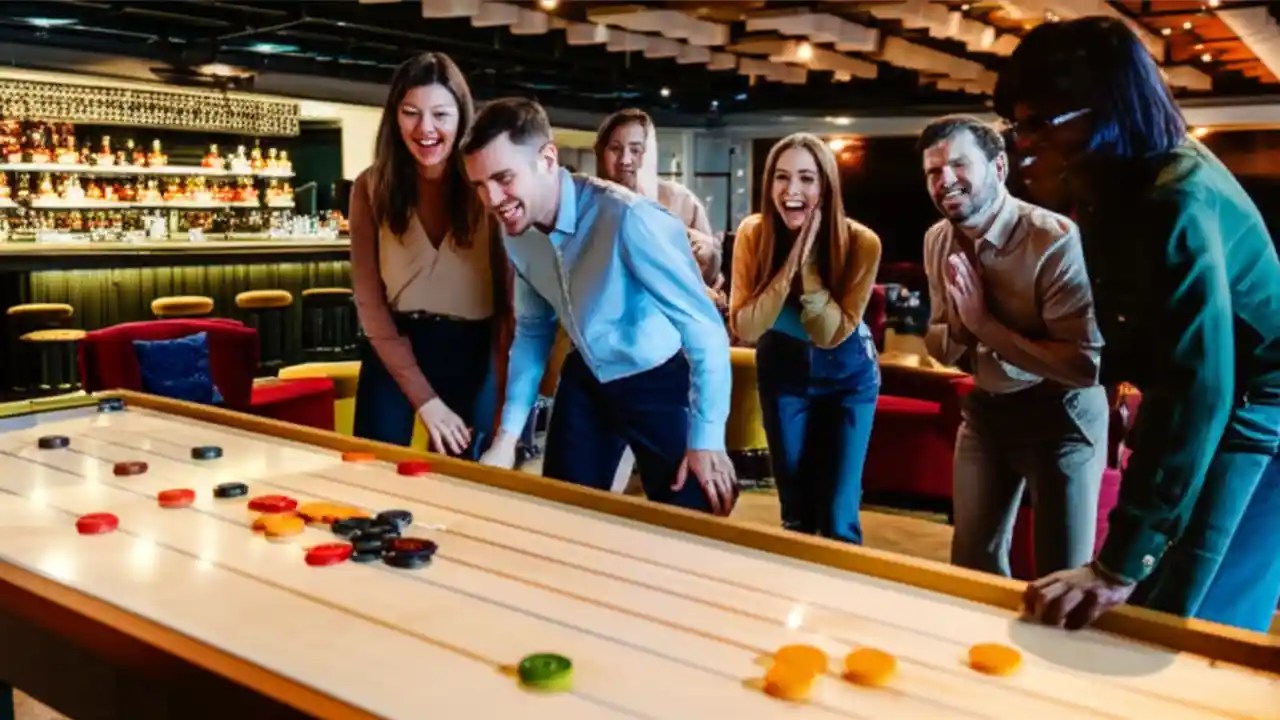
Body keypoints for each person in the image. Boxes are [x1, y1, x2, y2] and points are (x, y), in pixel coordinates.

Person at [997, 17, 1280, 632]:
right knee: (1154, 595)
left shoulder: (1174, 198)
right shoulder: (1113, 187)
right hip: (1225, 390)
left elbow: (1200, 389)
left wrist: (1118, 563)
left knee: (1189, 617)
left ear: (1104, 114)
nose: (1021, 144)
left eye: (1038, 124)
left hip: (1261, 403)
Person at [460, 97, 738, 516]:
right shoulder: (514, 231)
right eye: (479, 185)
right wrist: (506, 438)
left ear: (547, 158)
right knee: (563, 515)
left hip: (657, 380)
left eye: (503, 178)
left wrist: (707, 439)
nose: (492, 199)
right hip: (588, 376)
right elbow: (534, 330)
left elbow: (706, 331)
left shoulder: (631, 219)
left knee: (698, 518)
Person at [917, 115, 1108, 578]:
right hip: (987, 410)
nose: (945, 181)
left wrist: (983, 324)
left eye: (959, 165)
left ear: (999, 168)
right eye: (933, 172)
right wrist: (964, 328)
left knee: (1061, 575)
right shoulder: (937, 240)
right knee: (970, 564)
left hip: (1062, 415)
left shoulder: (1053, 239)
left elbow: (1083, 366)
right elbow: (940, 346)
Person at [348, 52, 511, 458]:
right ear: (394, 117)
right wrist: (425, 400)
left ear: (462, 118)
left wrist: (505, 399)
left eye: (441, 114)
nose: (426, 129)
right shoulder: (370, 188)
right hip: (395, 348)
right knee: (373, 479)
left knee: (468, 489)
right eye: (411, 113)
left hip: (475, 351)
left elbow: (511, 305)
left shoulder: (486, 187)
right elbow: (370, 303)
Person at [727, 133, 882, 542]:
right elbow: (744, 326)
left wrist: (809, 265)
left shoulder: (862, 242)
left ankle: (840, 600)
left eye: (806, 179)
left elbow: (829, 334)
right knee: (796, 510)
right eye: (781, 177)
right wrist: (789, 264)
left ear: (826, 186)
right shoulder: (753, 233)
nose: (792, 190)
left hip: (849, 375)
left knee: (837, 515)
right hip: (783, 371)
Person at [594, 108, 722, 288]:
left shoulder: (679, 200)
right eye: (615, 148)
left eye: (635, 150)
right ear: (601, 152)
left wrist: (707, 254)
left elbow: (711, 276)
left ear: (649, 154)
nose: (625, 160)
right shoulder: (587, 203)